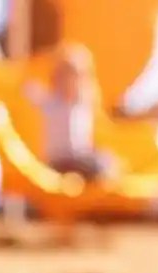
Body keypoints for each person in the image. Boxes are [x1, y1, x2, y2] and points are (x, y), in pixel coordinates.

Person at [24, 44, 114, 182]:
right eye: (63, 77)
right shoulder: (52, 101)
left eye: (75, 77)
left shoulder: (82, 104)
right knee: (99, 163)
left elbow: (85, 140)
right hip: (58, 160)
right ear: (56, 79)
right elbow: (29, 89)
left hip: (78, 158)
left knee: (106, 159)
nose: (68, 82)